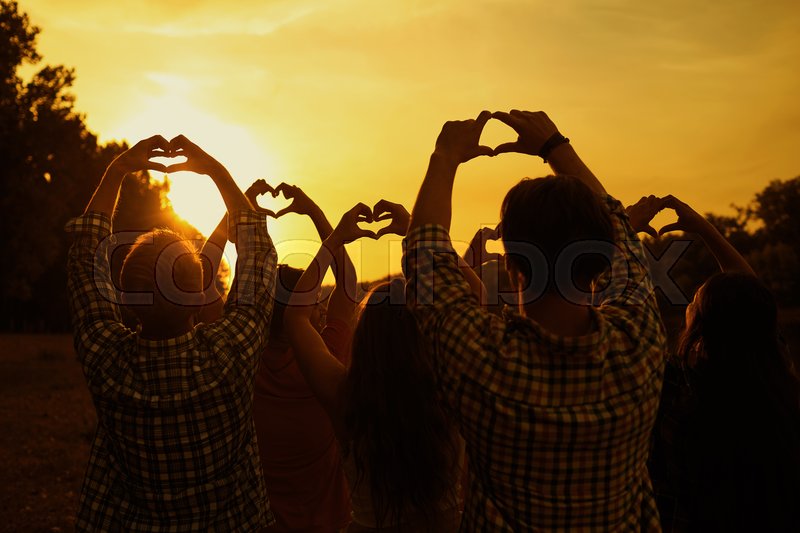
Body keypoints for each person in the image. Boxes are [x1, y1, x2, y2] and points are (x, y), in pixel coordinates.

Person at [403, 110, 668, 530]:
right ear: (600, 261)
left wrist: (446, 154)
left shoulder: (481, 358)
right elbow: (622, 233)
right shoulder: (640, 344)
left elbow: (425, 259)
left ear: (511, 265)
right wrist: (554, 146)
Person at [66, 135, 277, 531]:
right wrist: (217, 171)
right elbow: (260, 256)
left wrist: (117, 170)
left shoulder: (105, 359)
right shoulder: (231, 354)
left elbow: (81, 264)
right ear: (199, 301)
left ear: (125, 300)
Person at [284, 201, 469, 531]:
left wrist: (335, 239)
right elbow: (475, 297)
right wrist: (416, 231)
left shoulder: (344, 396)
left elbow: (296, 316)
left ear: (364, 334)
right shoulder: (449, 383)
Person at [629, 195, 800, 531]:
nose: (687, 305)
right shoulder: (774, 380)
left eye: (693, 301)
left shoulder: (678, 391)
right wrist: (703, 227)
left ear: (703, 334)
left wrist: (625, 232)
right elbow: (749, 301)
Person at [249, 182, 353, 532]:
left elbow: (202, 294)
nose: (323, 309)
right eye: (315, 303)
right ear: (304, 312)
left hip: (266, 522)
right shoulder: (326, 361)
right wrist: (316, 215)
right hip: (330, 522)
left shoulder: (241, 361)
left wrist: (238, 212)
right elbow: (348, 288)